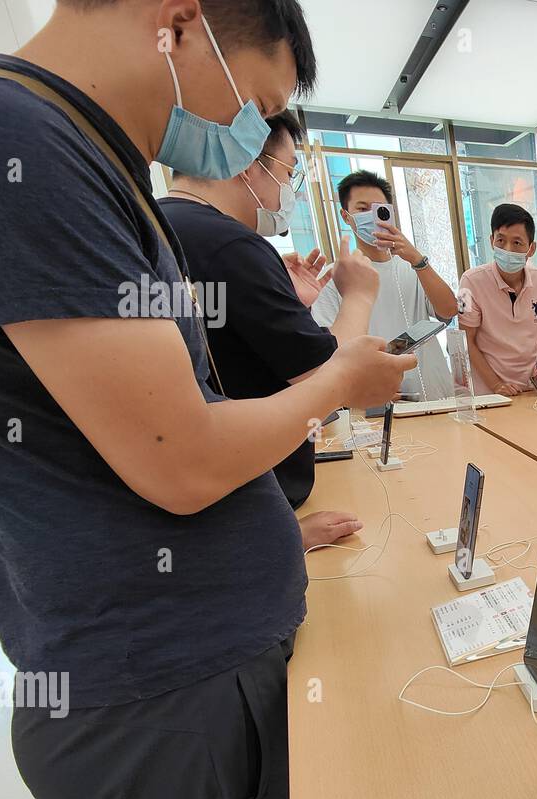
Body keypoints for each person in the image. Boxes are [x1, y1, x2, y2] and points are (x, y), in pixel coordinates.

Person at [0, 0, 412, 799]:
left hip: (191, 669)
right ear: (176, 22)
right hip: (172, 691)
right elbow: (182, 458)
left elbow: (130, 432)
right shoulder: (10, 137)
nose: (247, 133)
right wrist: (339, 381)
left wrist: (273, 529)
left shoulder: (88, 157)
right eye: (252, 98)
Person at [161, 111, 377, 550]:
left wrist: (288, 309)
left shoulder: (162, 225)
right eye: (289, 171)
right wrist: (358, 295)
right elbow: (329, 377)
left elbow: (216, 338)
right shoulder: (232, 244)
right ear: (247, 163)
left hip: (206, 505)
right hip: (246, 496)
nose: (289, 190)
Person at [313, 169, 459, 400]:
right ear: (345, 215)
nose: (371, 216)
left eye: (378, 208)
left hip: (435, 395)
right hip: (377, 402)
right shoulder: (335, 276)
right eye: (362, 209)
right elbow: (330, 350)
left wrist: (418, 261)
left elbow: (449, 310)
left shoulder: (413, 266)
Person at [457, 203, 537, 396]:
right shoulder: (468, 281)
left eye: (517, 243)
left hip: (530, 391)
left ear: (531, 248)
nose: (508, 249)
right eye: (501, 240)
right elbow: (465, 341)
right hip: (488, 394)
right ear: (491, 240)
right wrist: (496, 386)